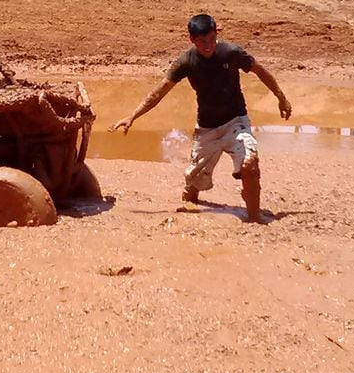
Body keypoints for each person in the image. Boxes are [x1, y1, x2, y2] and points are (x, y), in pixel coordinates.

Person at [111, 13, 293, 224]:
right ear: (192, 40)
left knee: (250, 163)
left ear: (217, 34)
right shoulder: (186, 62)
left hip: (236, 121)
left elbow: (260, 71)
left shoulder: (231, 53)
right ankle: (191, 201)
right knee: (192, 189)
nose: (208, 46)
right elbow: (159, 93)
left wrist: (281, 97)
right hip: (207, 129)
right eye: (202, 41)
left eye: (212, 39)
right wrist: (132, 116)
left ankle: (254, 217)